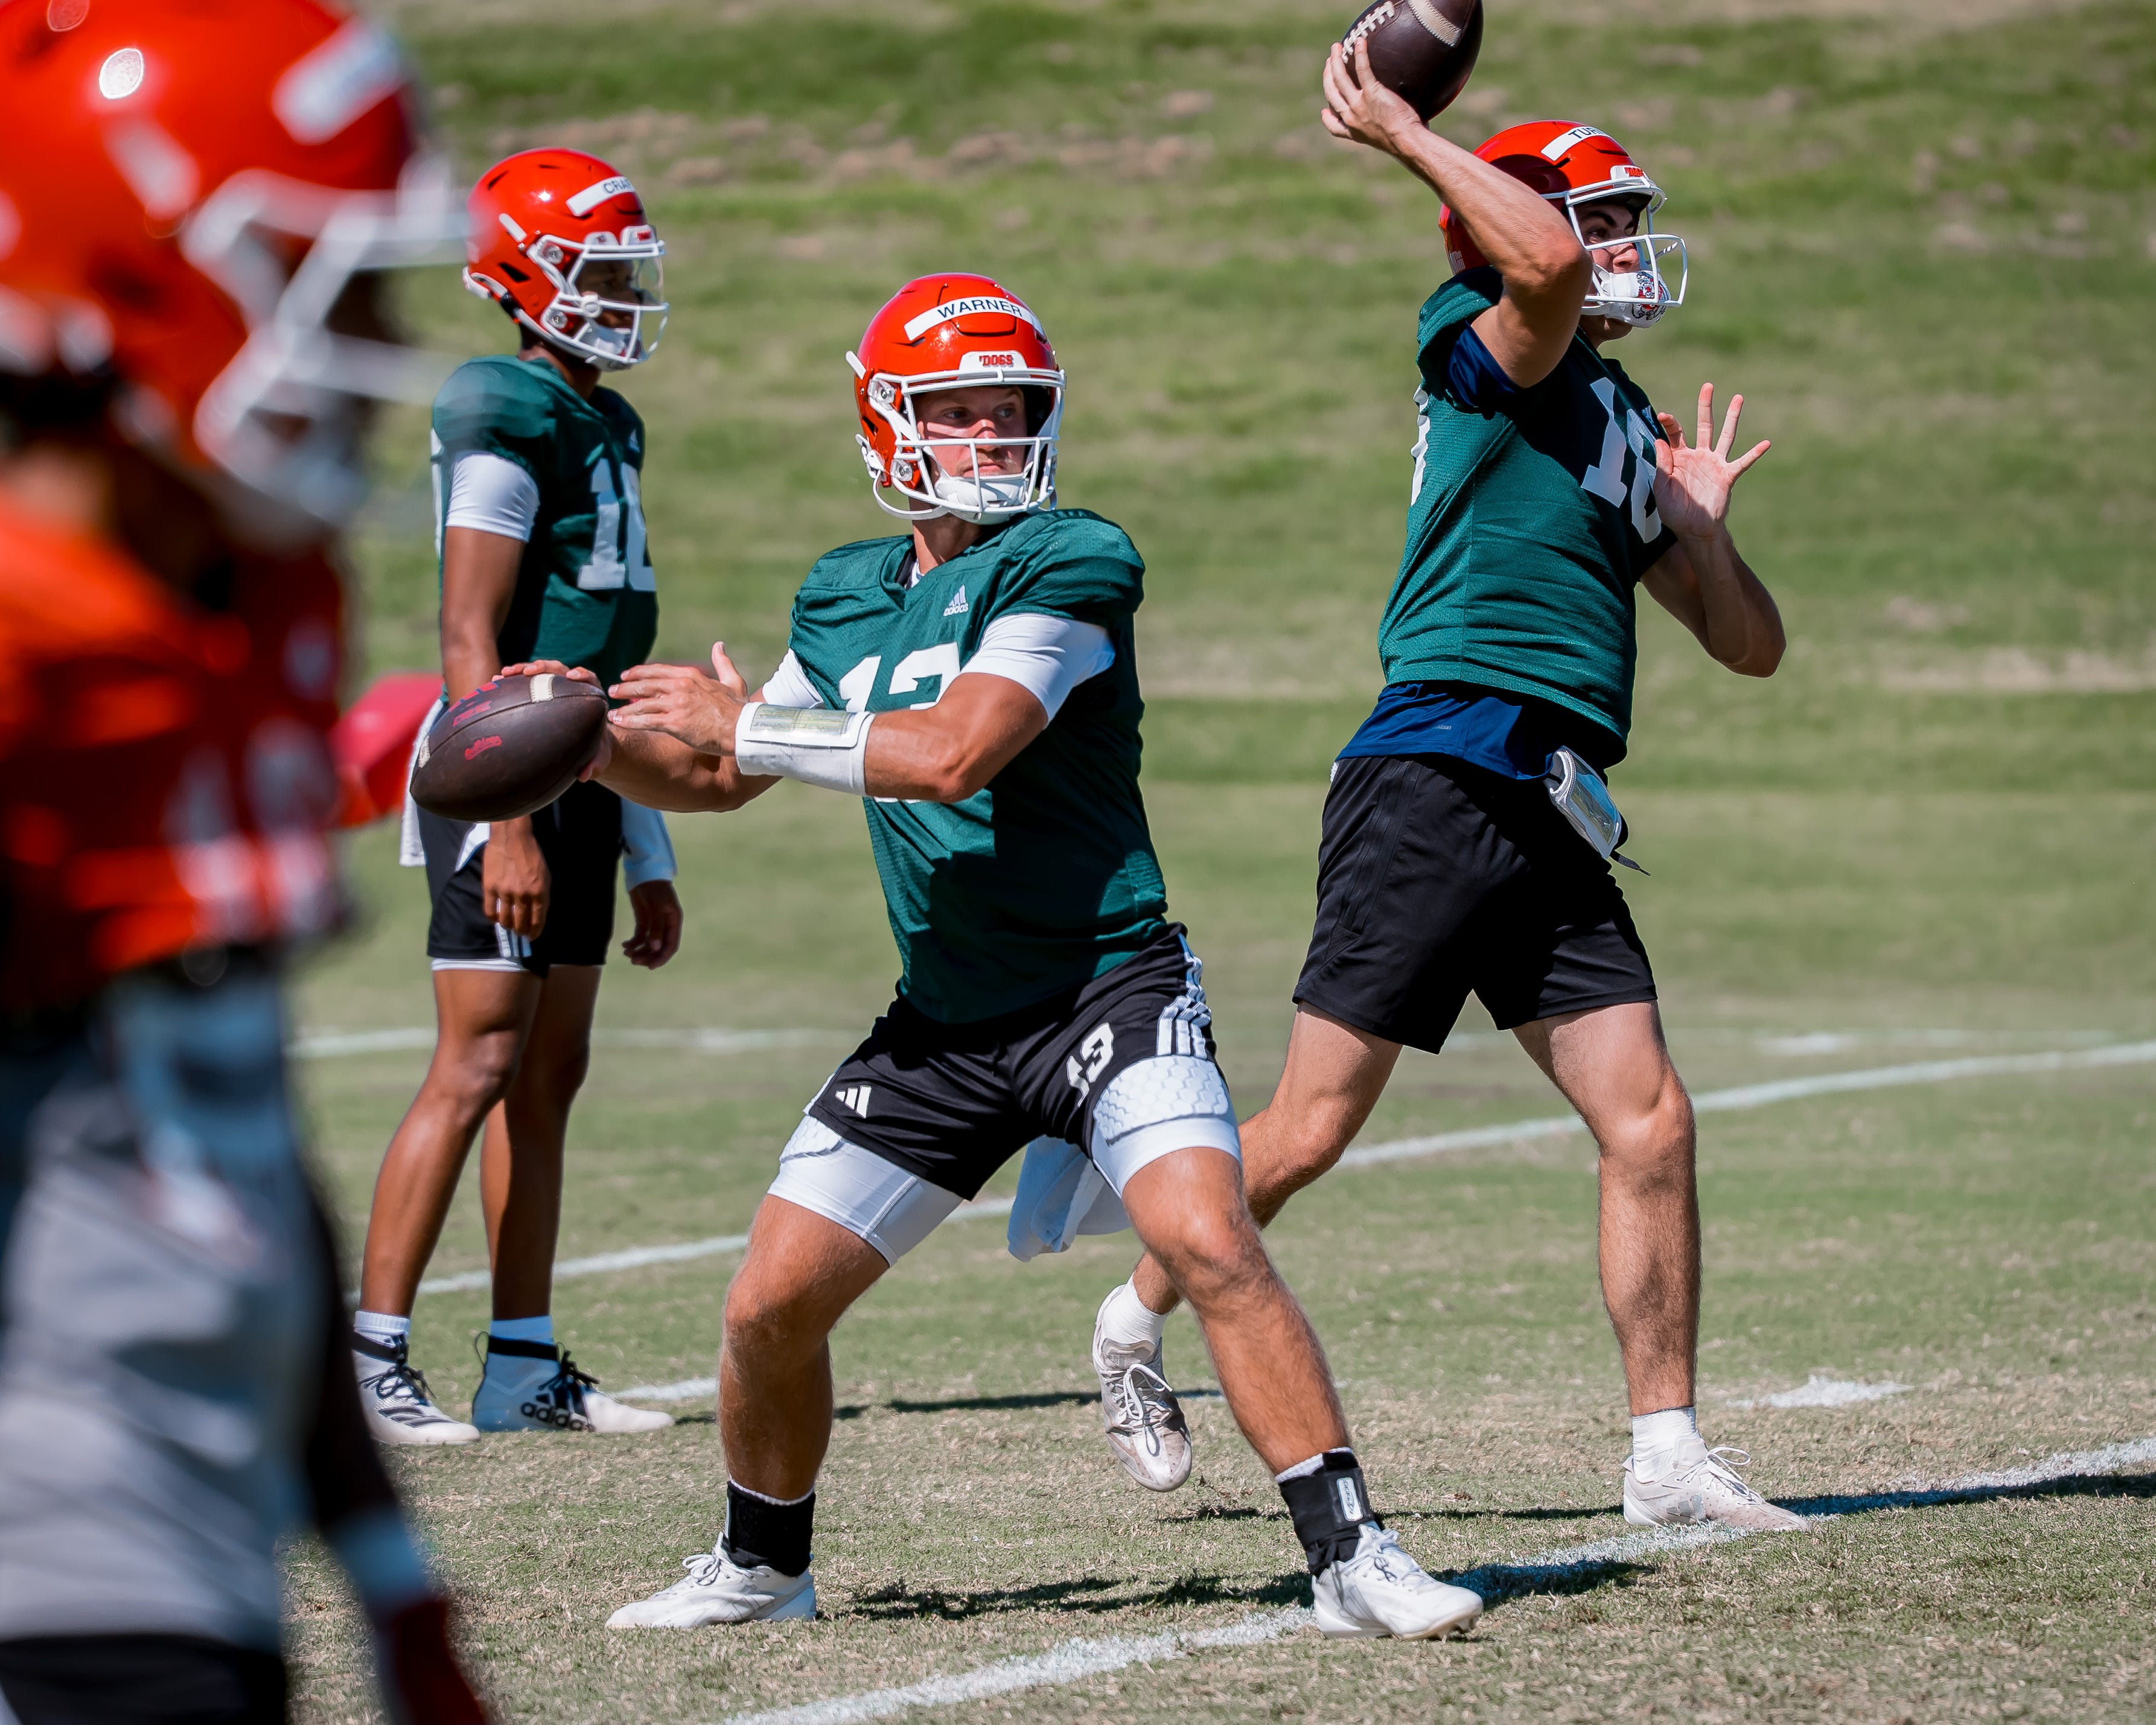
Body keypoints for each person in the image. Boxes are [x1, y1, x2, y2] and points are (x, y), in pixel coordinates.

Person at [512, 273, 1485, 1640]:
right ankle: (761, 1565)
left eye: (1012, 408)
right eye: (959, 412)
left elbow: (954, 750)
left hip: (1108, 983)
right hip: (945, 1021)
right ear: (887, 424)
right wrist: (588, 745)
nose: (993, 434)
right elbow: (726, 778)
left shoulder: (1071, 556)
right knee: (764, 1309)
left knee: (1209, 1239)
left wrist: (745, 724)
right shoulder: (847, 593)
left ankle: (1352, 1553)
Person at [1083, 45, 1805, 1535]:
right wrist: (1410, 129)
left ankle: (1664, 1455)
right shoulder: (1489, 331)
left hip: (1548, 794)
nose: (1618, 247)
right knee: (1310, 1127)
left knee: (1651, 1122)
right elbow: (1535, 264)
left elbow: (1750, 651)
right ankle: (1133, 1311)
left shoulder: (1615, 410)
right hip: (1432, 769)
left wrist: (1706, 530)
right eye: (1598, 220)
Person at [0, 2, 493, 1719]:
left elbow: (225, 1130)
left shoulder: (254, 604)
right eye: (327, 285)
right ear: (144, 277)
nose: (375, 340)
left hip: (184, 1558)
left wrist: (390, 1579)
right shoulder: (22, 650)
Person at [349, 148, 684, 1444]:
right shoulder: (500, 400)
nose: (617, 292)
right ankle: (374, 1356)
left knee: (551, 1071)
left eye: (622, 269)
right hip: (499, 774)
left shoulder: (607, 416)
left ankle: (520, 1362)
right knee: (477, 1060)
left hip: (586, 769)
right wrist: (505, 821)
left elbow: (601, 672)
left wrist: (646, 842)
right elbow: (466, 631)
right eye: (593, 269)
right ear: (519, 276)